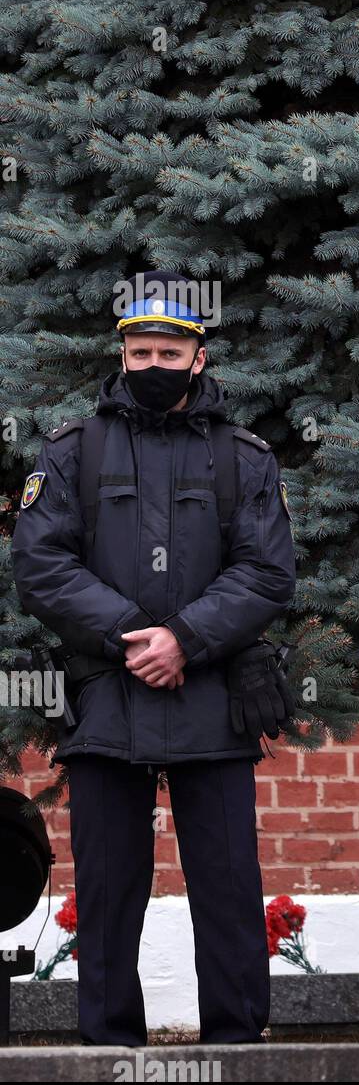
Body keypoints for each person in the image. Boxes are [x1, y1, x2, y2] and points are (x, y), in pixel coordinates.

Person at [12, 270, 297, 1045]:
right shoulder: (74, 450)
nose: (153, 365)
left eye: (170, 352)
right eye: (140, 351)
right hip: (110, 692)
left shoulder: (241, 457)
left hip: (212, 694)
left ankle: (237, 1049)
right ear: (122, 353)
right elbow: (40, 565)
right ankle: (109, 1053)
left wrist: (186, 639)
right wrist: (136, 634)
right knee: (108, 891)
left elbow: (269, 570)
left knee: (230, 886)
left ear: (198, 358)